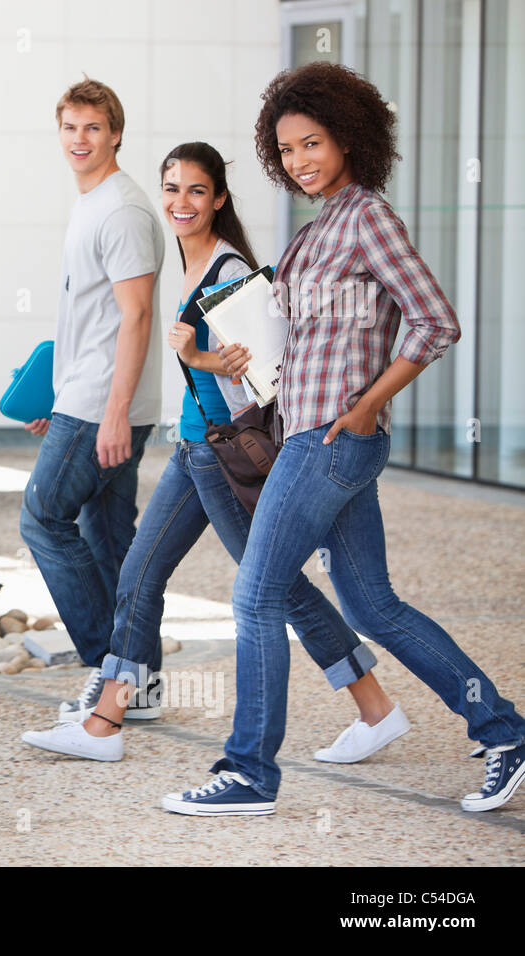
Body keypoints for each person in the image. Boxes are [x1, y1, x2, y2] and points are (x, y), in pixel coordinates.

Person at [164, 63, 525, 815]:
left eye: (314, 142)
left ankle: (250, 774)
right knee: (374, 608)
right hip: (312, 433)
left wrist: (366, 406)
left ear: (349, 137)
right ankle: (506, 731)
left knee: (257, 595)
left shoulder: (368, 218)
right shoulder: (312, 233)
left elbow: (435, 320)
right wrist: (212, 356)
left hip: (333, 440)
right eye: (287, 149)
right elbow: (285, 349)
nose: (300, 160)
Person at [21, 142, 407, 762]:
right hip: (193, 449)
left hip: (221, 455)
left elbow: (265, 371)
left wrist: (197, 355)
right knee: (142, 576)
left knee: (267, 590)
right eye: (171, 189)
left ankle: (372, 703)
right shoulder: (191, 263)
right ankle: (105, 723)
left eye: (196, 191)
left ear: (219, 199)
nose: (181, 202)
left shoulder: (228, 273)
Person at [19, 77, 165, 718]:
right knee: (108, 543)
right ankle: (139, 686)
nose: (81, 139)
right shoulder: (93, 203)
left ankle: (111, 675)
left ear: (116, 135)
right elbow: (95, 321)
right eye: (71, 127)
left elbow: (136, 318)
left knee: (42, 515)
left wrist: (111, 414)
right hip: (86, 399)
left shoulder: (123, 210)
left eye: (94, 128)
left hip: (105, 406)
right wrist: (58, 393)